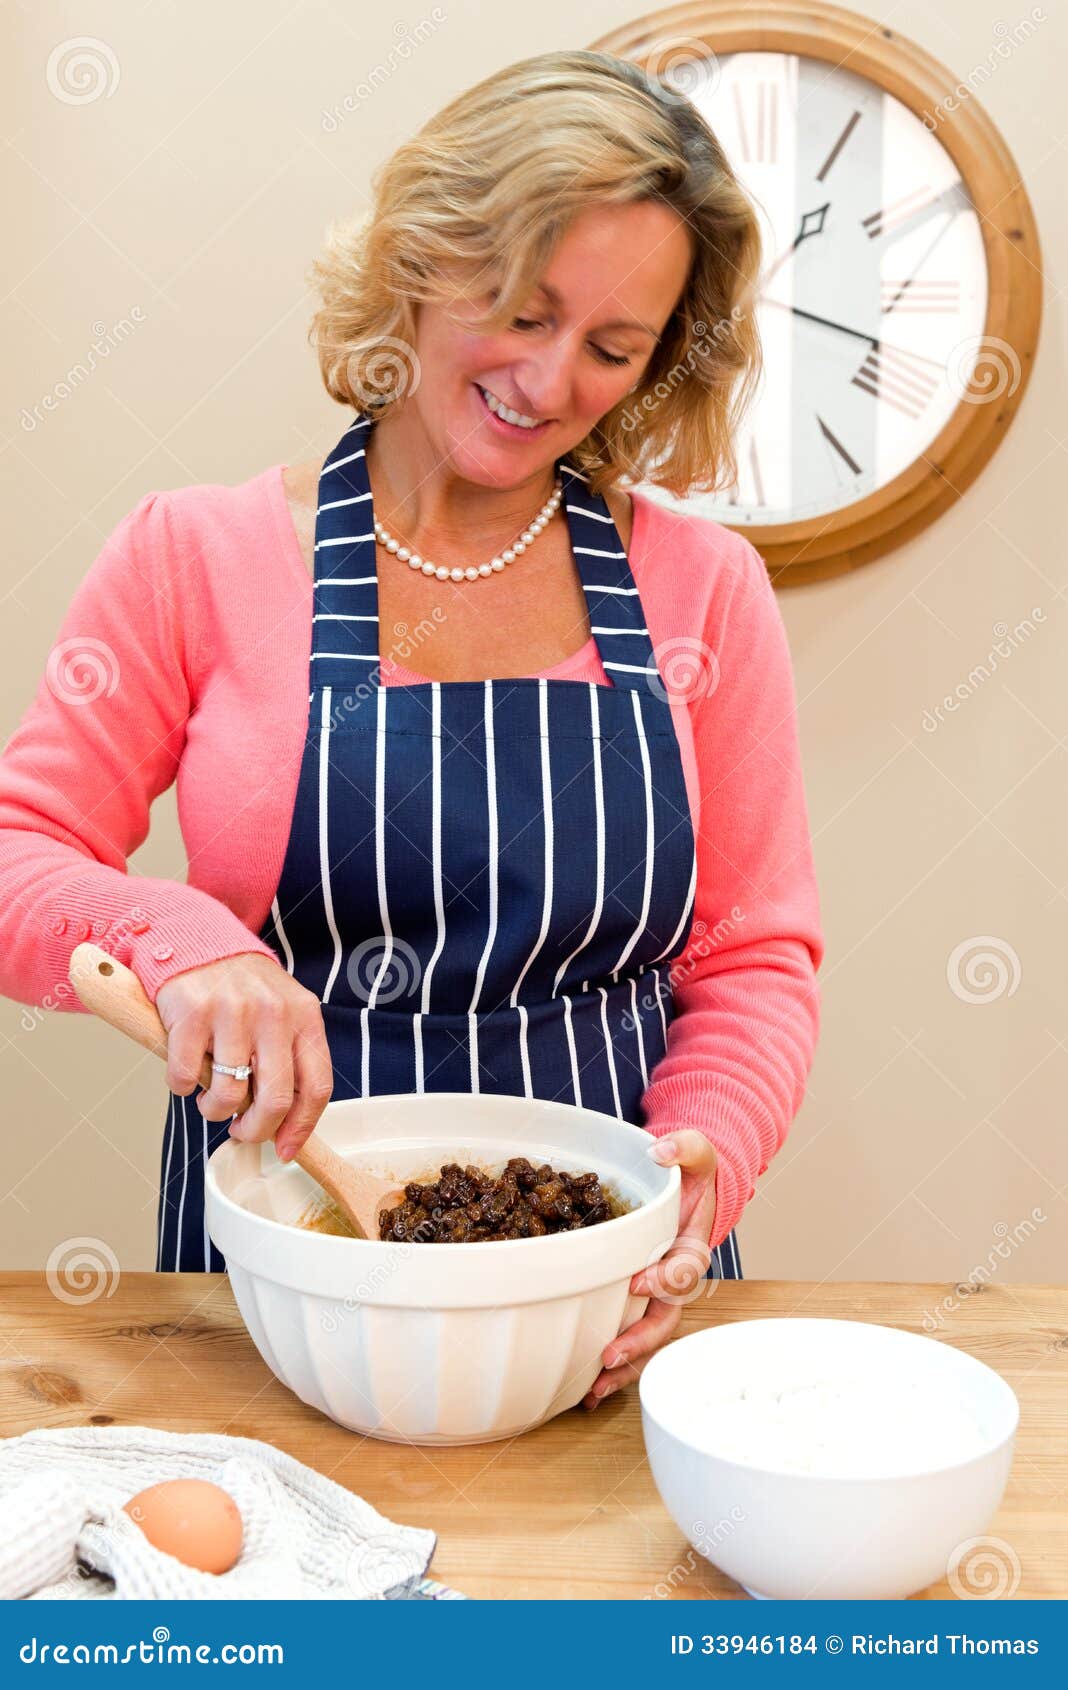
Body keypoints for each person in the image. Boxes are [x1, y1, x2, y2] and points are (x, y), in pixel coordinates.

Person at [0, 49, 823, 1409]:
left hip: (605, 1288)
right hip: (291, 1270)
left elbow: (756, 961)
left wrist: (694, 1177)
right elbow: (21, 853)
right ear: (424, 257)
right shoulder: (193, 558)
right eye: (520, 307)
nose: (550, 380)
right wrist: (180, 935)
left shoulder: (702, 590)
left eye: (613, 349)